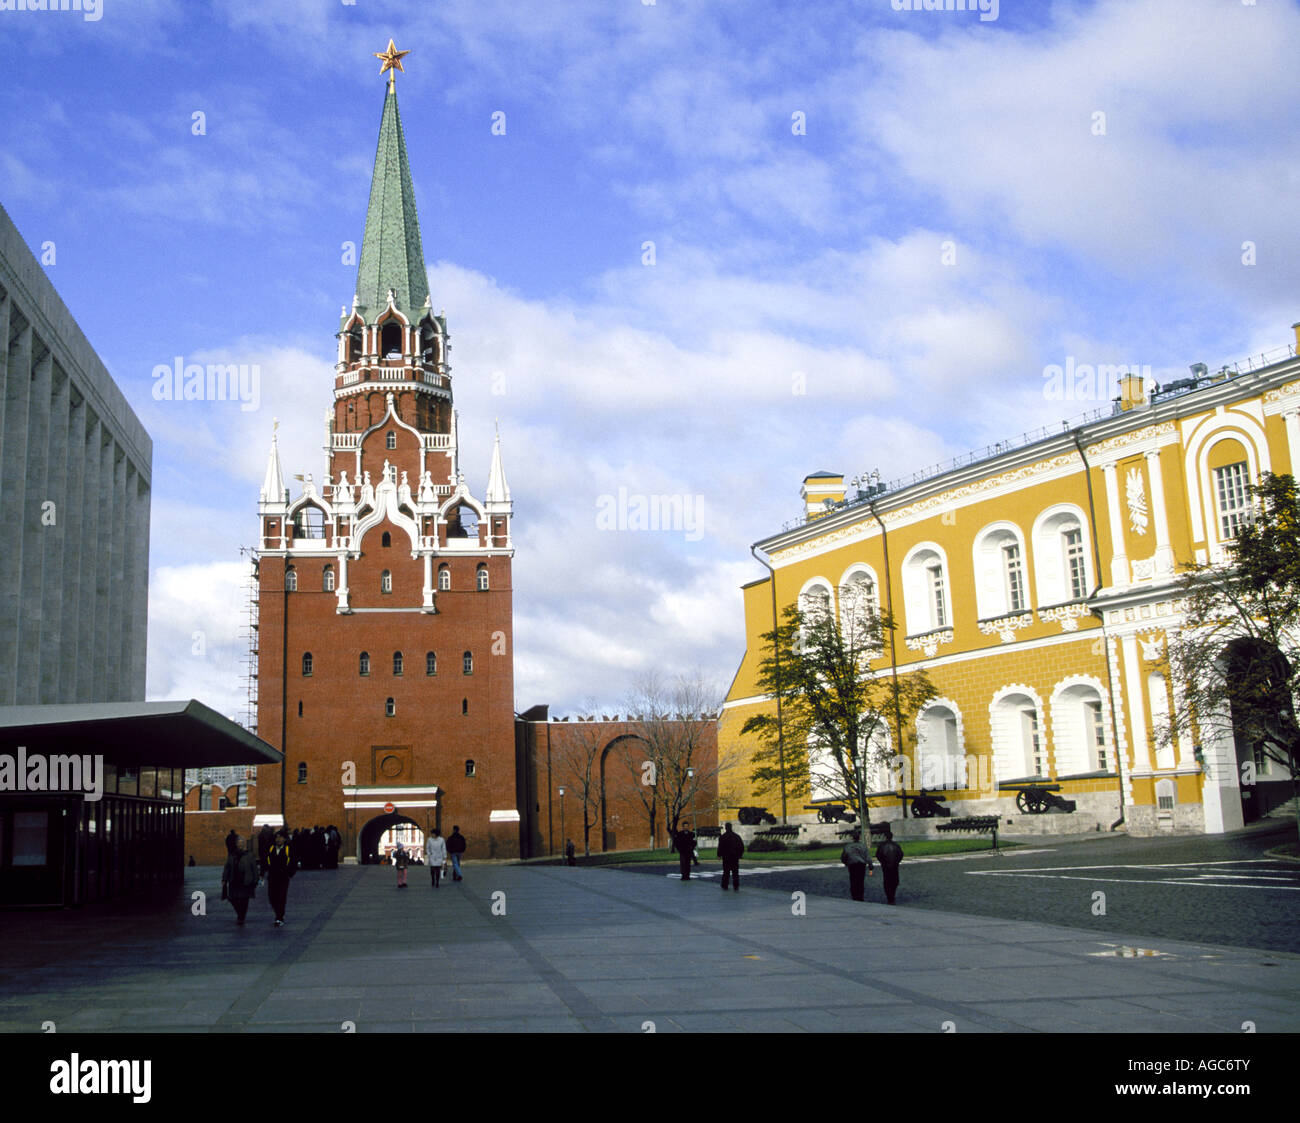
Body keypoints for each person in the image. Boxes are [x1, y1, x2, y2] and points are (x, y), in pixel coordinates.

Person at [221, 834, 259, 925]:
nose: (240, 844)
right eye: (239, 842)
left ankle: (241, 917)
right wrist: (224, 879)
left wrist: (255, 879)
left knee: (244, 900)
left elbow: (254, 868)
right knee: (232, 898)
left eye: (242, 842)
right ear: (236, 844)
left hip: (246, 881)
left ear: (244, 844)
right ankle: (240, 913)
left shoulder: (249, 855)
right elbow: (227, 867)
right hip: (234, 880)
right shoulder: (232, 855)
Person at [266, 827, 297, 926]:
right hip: (272, 877)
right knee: (271, 897)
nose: (278, 839)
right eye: (277, 837)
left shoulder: (288, 849)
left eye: (280, 837)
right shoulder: (271, 849)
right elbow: (266, 861)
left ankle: (279, 917)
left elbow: (293, 862)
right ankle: (278, 913)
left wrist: (289, 874)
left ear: (284, 839)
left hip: (283, 877)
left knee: (281, 897)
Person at [840, 830, 875, 902]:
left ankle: (854, 896)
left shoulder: (848, 846)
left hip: (852, 865)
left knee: (853, 881)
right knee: (860, 881)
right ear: (859, 838)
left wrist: (846, 863)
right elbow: (867, 857)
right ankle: (860, 896)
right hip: (861, 865)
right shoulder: (863, 846)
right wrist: (870, 866)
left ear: (852, 838)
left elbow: (843, 857)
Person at [874, 824, 904, 905]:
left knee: (887, 881)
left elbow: (878, 855)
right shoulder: (896, 845)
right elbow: (900, 854)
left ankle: (889, 896)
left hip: (885, 866)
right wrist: (897, 861)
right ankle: (892, 896)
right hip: (894, 865)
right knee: (894, 881)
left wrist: (882, 862)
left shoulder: (882, 846)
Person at [717, 821, 744, 891]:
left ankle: (725, 885)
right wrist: (740, 855)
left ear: (725, 828)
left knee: (726, 872)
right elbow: (741, 846)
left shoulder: (722, 837)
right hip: (735, 857)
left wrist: (719, 855)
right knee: (735, 872)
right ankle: (736, 885)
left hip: (726, 857)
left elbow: (720, 847)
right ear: (731, 827)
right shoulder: (737, 836)